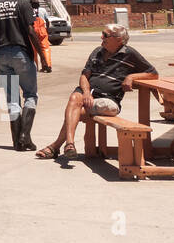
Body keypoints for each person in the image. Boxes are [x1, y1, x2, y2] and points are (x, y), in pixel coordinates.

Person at [36, 24, 157, 159]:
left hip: (109, 101)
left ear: (119, 40)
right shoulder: (97, 52)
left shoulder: (130, 54)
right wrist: (86, 92)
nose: (102, 37)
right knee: (75, 98)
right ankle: (69, 144)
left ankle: (56, 146)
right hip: (88, 95)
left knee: (73, 112)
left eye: (105, 35)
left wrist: (131, 77)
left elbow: (153, 73)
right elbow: (84, 76)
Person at [0, 0, 48, 151]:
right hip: (21, 53)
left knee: (12, 100)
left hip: (2, 54)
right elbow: (31, 32)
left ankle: (17, 142)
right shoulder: (22, 4)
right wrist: (42, 56)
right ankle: (25, 136)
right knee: (30, 95)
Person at [32, 2, 53, 73]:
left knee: (33, 49)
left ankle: (35, 67)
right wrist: (47, 29)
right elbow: (47, 20)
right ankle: (47, 65)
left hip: (33, 30)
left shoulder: (29, 9)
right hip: (42, 30)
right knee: (45, 48)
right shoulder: (43, 10)